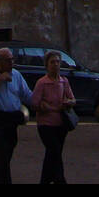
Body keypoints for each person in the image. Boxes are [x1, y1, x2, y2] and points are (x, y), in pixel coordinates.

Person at [0, 47, 35, 184]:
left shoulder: (16, 75)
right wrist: (0, 79)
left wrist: (41, 102)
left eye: (12, 60)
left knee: (6, 156)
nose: (12, 63)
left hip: (12, 119)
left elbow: (27, 94)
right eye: (8, 61)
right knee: (1, 156)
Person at [31, 50, 76, 185]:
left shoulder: (64, 81)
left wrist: (69, 103)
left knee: (53, 154)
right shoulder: (42, 83)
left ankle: (45, 180)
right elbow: (34, 103)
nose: (55, 65)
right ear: (47, 65)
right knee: (54, 151)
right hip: (46, 124)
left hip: (61, 124)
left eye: (57, 62)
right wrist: (42, 106)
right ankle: (60, 180)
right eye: (52, 62)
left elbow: (73, 99)